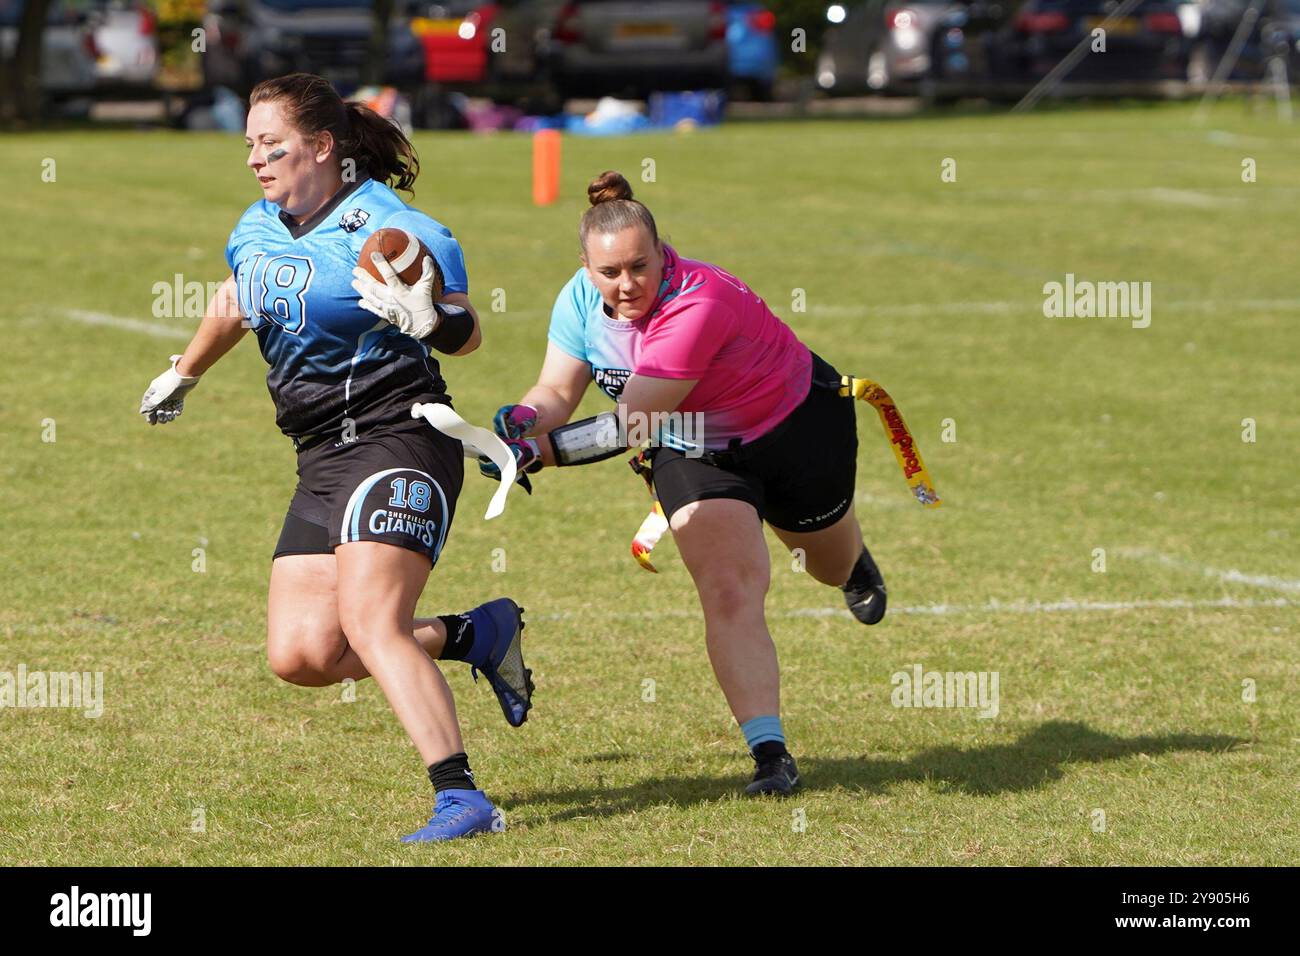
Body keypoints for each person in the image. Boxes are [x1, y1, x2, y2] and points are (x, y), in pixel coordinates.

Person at [137, 73, 534, 842]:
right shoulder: (258, 221)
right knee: (303, 654)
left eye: (271, 144)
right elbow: (241, 296)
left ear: (322, 146)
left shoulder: (388, 226)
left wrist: (428, 318)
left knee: (369, 619)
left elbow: (466, 327)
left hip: (401, 435)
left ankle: (461, 798)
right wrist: (183, 372)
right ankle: (473, 636)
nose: (255, 159)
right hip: (319, 455)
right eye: (249, 144)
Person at [482, 170, 888, 796]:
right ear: (585, 267)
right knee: (730, 588)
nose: (625, 286)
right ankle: (771, 756)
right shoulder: (580, 298)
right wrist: (522, 422)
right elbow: (558, 391)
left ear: (662, 253)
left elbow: (631, 421)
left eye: (639, 268)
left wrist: (534, 455)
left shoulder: (699, 301)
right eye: (608, 273)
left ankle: (853, 559)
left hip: (795, 429)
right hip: (693, 448)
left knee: (826, 563)